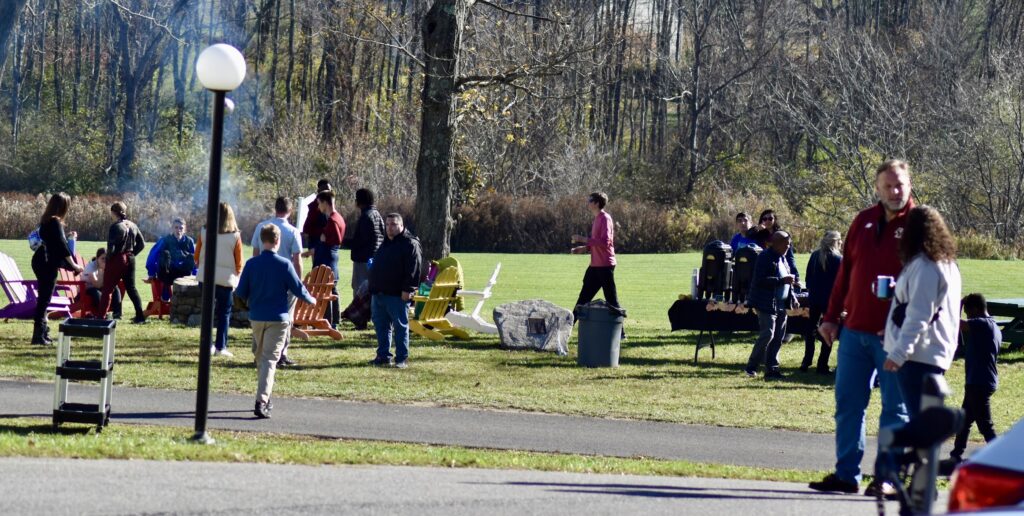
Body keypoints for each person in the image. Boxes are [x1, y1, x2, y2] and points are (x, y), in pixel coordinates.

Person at [809, 159, 914, 498]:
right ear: (877, 188)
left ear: (909, 183)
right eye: (888, 186)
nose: (895, 192)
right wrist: (830, 316)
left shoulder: (921, 224)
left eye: (899, 185)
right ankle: (845, 475)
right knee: (848, 404)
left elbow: (935, 281)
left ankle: (888, 478)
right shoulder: (863, 221)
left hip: (895, 335)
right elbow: (846, 273)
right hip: (854, 330)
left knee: (895, 409)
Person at [882, 206, 962, 415]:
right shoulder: (949, 265)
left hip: (918, 357)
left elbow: (920, 314)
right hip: (935, 353)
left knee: (923, 429)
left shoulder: (925, 266)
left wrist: (899, 352)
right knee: (927, 427)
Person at [235, 224, 316, 419]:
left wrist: (246, 307)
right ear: (278, 241)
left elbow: (240, 293)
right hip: (278, 319)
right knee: (269, 359)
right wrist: (311, 300)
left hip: (257, 317)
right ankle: (262, 401)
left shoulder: (252, 264)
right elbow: (298, 288)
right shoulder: (284, 264)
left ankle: (264, 395)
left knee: (260, 357)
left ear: (262, 241)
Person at [944, 293, 1001, 470]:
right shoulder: (994, 326)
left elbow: (956, 324)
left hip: (979, 382)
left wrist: (957, 306)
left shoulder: (981, 323)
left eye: (968, 313)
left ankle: (1001, 458)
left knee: (985, 425)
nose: (967, 316)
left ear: (975, 310)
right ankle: (956, 455)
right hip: (980, 381)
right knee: (965, 420)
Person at [250, 197, 304, 367]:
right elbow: (297, 260)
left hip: (264, 279)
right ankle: (281, 353)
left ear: (275, 209)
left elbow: (255, 254)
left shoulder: (261, 227)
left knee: (262, 314)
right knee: (285, 317)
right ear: (290, 211)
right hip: (285, 280)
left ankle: (260, 350)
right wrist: (298, 282)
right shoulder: (293, 232)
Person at [367, 213, 422, 369]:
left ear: (401, 225)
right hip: (379, 293)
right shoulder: (385, 243)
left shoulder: (410, 244)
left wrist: (408, 290)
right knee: (381, 326)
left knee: (400, 326)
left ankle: (402, 359)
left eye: (393, 224)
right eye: (388, 224)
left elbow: (414, 270)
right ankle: (383, 356)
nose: (389, 228)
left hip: (397, 294)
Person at [31, 192, 83, 345]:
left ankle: (43, 332)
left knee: (44, 299)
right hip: (47, 263)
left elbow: (57, 242)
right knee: (44, 300)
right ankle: (38, 336)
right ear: (63, 207)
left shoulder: (46, 220)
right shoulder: (55, 222)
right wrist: (73, 265)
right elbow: (61, 246)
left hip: (40, 260)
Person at [744, 231, 795, 380]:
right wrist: (781, 281)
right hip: (765, 301)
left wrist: (792, 296)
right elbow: (760, 280)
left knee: (778, 336)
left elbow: (787, 280)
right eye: (785, 244)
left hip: (780, 302)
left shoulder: (783, 258)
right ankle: (751, 367)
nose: (788, 246)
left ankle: (772, 369)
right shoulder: (764, 257)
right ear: (776, 243)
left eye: (789, 244)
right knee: (768, 334)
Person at [195, 202, 243, 357]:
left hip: (206, 277)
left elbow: (196, 255)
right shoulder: (235, 235)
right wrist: (237, 274)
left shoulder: (204, 231)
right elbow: (239, 261)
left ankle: (207, 345)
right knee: (224, 314)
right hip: (225, 280)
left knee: (208, 313)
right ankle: (221, 347)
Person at [571, 192, 623, 315]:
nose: (588, 202)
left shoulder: (605, 218)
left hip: (605, 265)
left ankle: (620, 332)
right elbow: (596, 243)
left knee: (611, 300)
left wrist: (582, 239)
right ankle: (569, 326)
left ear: (597, 203)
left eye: (590, 200)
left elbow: (605, 242)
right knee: (584, 297)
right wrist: (584, 248)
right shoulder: (597, 218)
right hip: (595, 265)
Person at [100, 202, 147, 324]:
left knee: (107, 289)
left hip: (117, 259)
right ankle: (140, 316)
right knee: (131, 288)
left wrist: (109, 261)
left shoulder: (115, 227)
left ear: (113, 212)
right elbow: (142, 244)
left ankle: (101, 316)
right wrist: (131, 254)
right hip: (130, 258)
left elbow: (111, 249)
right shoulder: (133, 225)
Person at [802, 230, 842, 374]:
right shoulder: (838, 259)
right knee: (829, 330)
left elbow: (807, 278)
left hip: (814, 298)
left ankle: (806, 361)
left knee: (811, 328)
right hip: (830, 301)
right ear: (836, 242)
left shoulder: (814, 256)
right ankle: (822, 364)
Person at [311, 190, 346, 329]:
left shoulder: (332, 219)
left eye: (319, 203)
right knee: (332, 289)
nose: (318, 207)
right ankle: (335, 320)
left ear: (325, 203)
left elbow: (336, 239)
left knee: (325, 290)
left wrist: (324, 240)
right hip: (331, 257)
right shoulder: (338, 217)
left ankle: (328, 321)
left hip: (328, 258)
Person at [342, 188, 386, 301]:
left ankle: (359, 314)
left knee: (360, 288)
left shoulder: (366, 217)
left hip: (363, 259)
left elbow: (360, 241)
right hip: (375, 258)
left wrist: (341, 240)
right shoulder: (377, 215)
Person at [145, 218, 196, 300]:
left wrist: (195, 275)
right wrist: (151, 273)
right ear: (172, 228)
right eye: (176, 227)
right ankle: (165, 294)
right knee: (165, 254)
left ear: (185, 230)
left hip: (183, 273)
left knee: (191, 256)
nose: (178, 230)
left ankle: (185, 298)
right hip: (167, 272)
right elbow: (152, 256)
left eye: (181, 228)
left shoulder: (189, 241)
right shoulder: (165, 240)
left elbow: (195, 260)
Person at [749, 209, 800, 287]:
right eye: (764, 219)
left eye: (770, 218)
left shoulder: (782, 235)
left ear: (775, 220)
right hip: (764, 265)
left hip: (780, 264)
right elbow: (748, 235)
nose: (767, 221)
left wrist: (796, 276)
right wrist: (757, 229)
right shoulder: (759, 235)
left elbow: (790, 257)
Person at [83, 248, 121, 319]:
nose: (104, 260)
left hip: (97, 288)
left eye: (106, 258)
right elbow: (97, 285)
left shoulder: (108, 265)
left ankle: (117, 314)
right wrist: (102, 270)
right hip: (86, 290)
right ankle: (102, 314)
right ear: (97, 258)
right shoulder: (91, 267)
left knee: (115, 288)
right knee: (97, 292)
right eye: (102, 258)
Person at [301, 179, 331, 253]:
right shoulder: (315, 207)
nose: (328, 192)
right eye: (326, 190)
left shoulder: (329, 206)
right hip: (317, 242)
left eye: (329, 190)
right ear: (319, 190)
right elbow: (308, 225)